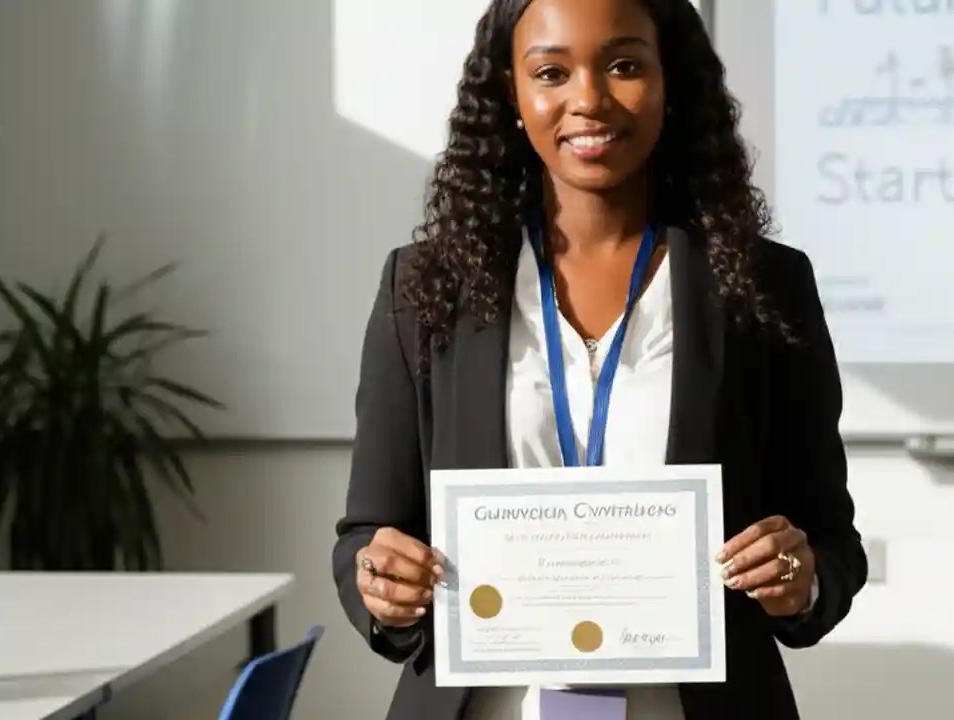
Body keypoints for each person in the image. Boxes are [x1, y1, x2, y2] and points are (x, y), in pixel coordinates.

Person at [331, 0, 868, 717]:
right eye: (551, 71)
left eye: (623, 65)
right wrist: (380, 585)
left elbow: (830, 542)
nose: (588, 99)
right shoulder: (427, 288)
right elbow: (365, 536)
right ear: (510, 94)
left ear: (669, 79)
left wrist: (800, 580)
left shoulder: (763, 287)